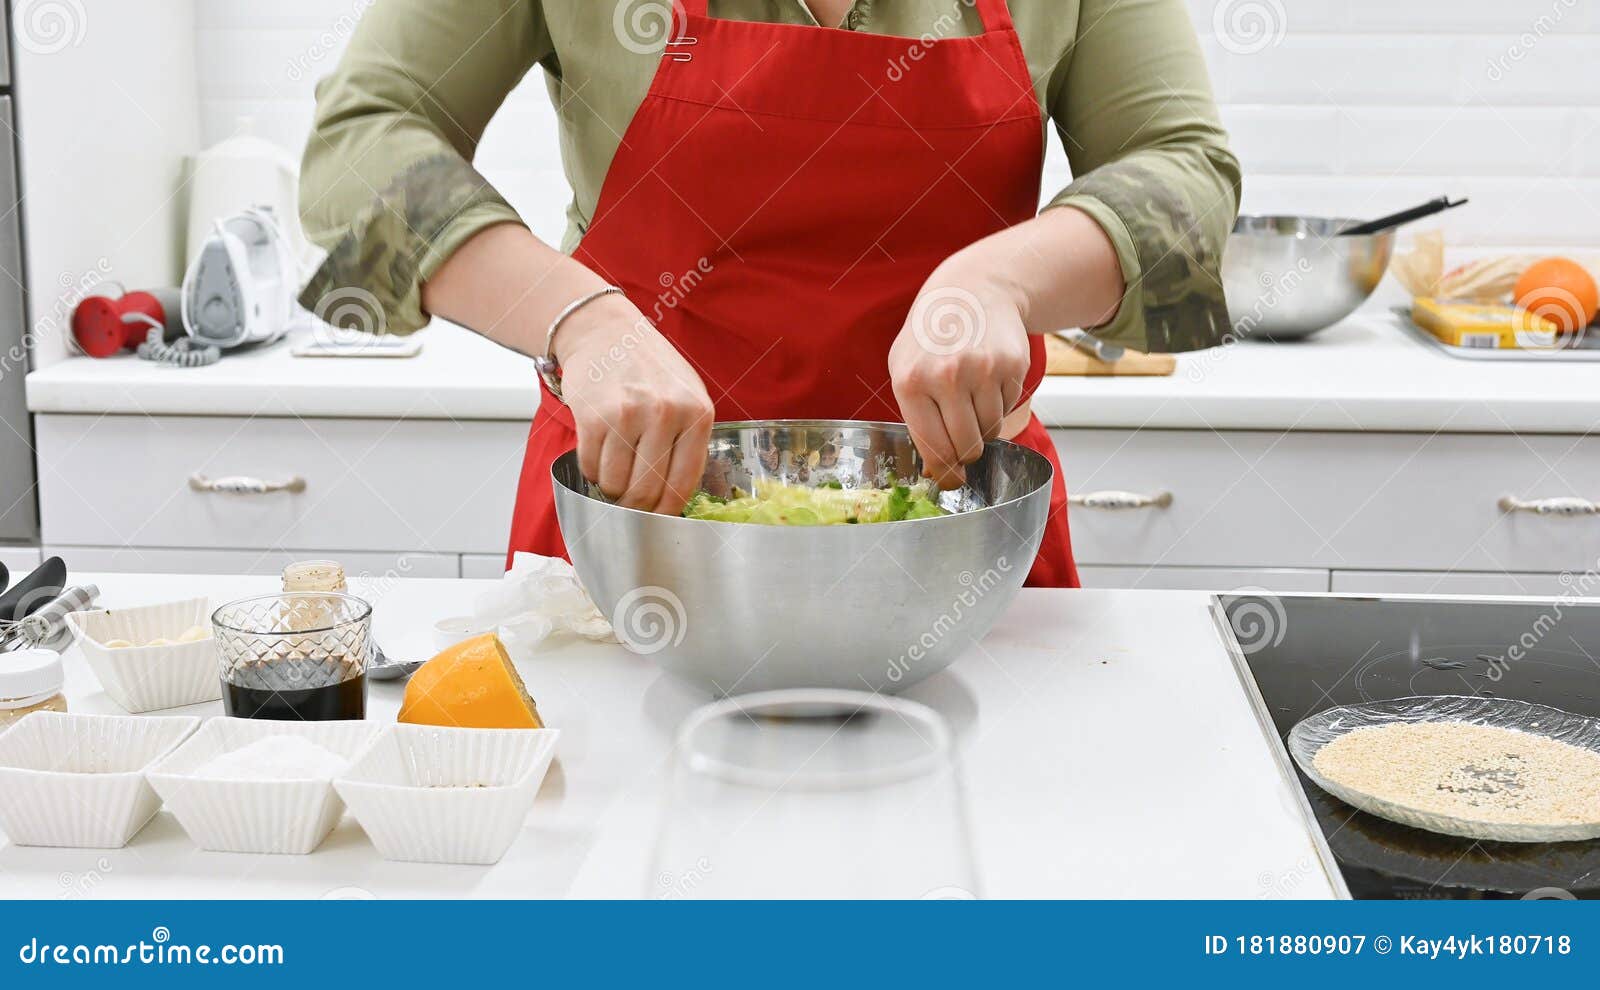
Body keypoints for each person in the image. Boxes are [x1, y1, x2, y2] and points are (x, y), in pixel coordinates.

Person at [299, 0, 1240, 588]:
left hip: (964, 541)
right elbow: (359, 142)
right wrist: (578, 320)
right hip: (634, 530)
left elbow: (1185, 171)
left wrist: (1000, 280)